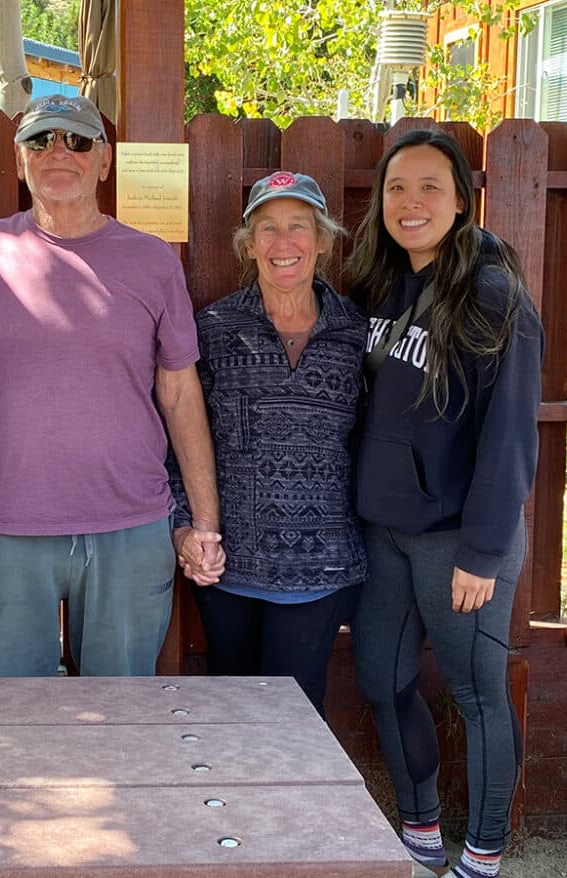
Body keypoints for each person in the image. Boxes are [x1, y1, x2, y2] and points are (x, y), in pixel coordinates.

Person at [0, 94, 221, 677]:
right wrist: (19, 397)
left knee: (120, 719)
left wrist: (204, 521)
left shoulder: (152, 260)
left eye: (77, 140)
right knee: (3, 715)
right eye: (41, 140)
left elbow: (179, 393)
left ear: (104, 161)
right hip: (2, 518)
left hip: (128, 520)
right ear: (19, 157)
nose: (58, 153)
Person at [346, 128, 544, 878]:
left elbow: (510, 434)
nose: (411, 201)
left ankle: (484, 854)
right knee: (382, 678)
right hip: (384, 529)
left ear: (462, 200)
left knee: (478, 693)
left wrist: (484, 551)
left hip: (457, 538)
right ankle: (419, 827)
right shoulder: (379, 282)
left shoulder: (494, 297)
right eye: (398, 187)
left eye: (430, 186)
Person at [168, 172, 365, 713]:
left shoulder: (356, 331)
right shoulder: (212, 328)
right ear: (249, 244)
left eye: (298, 227)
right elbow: (176, 443)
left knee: (297, 721)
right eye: (268, 228)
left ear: (322, 239)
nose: (284, 244)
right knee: (231, 716)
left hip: (322, 572)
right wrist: (185, 529)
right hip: (227, 568)